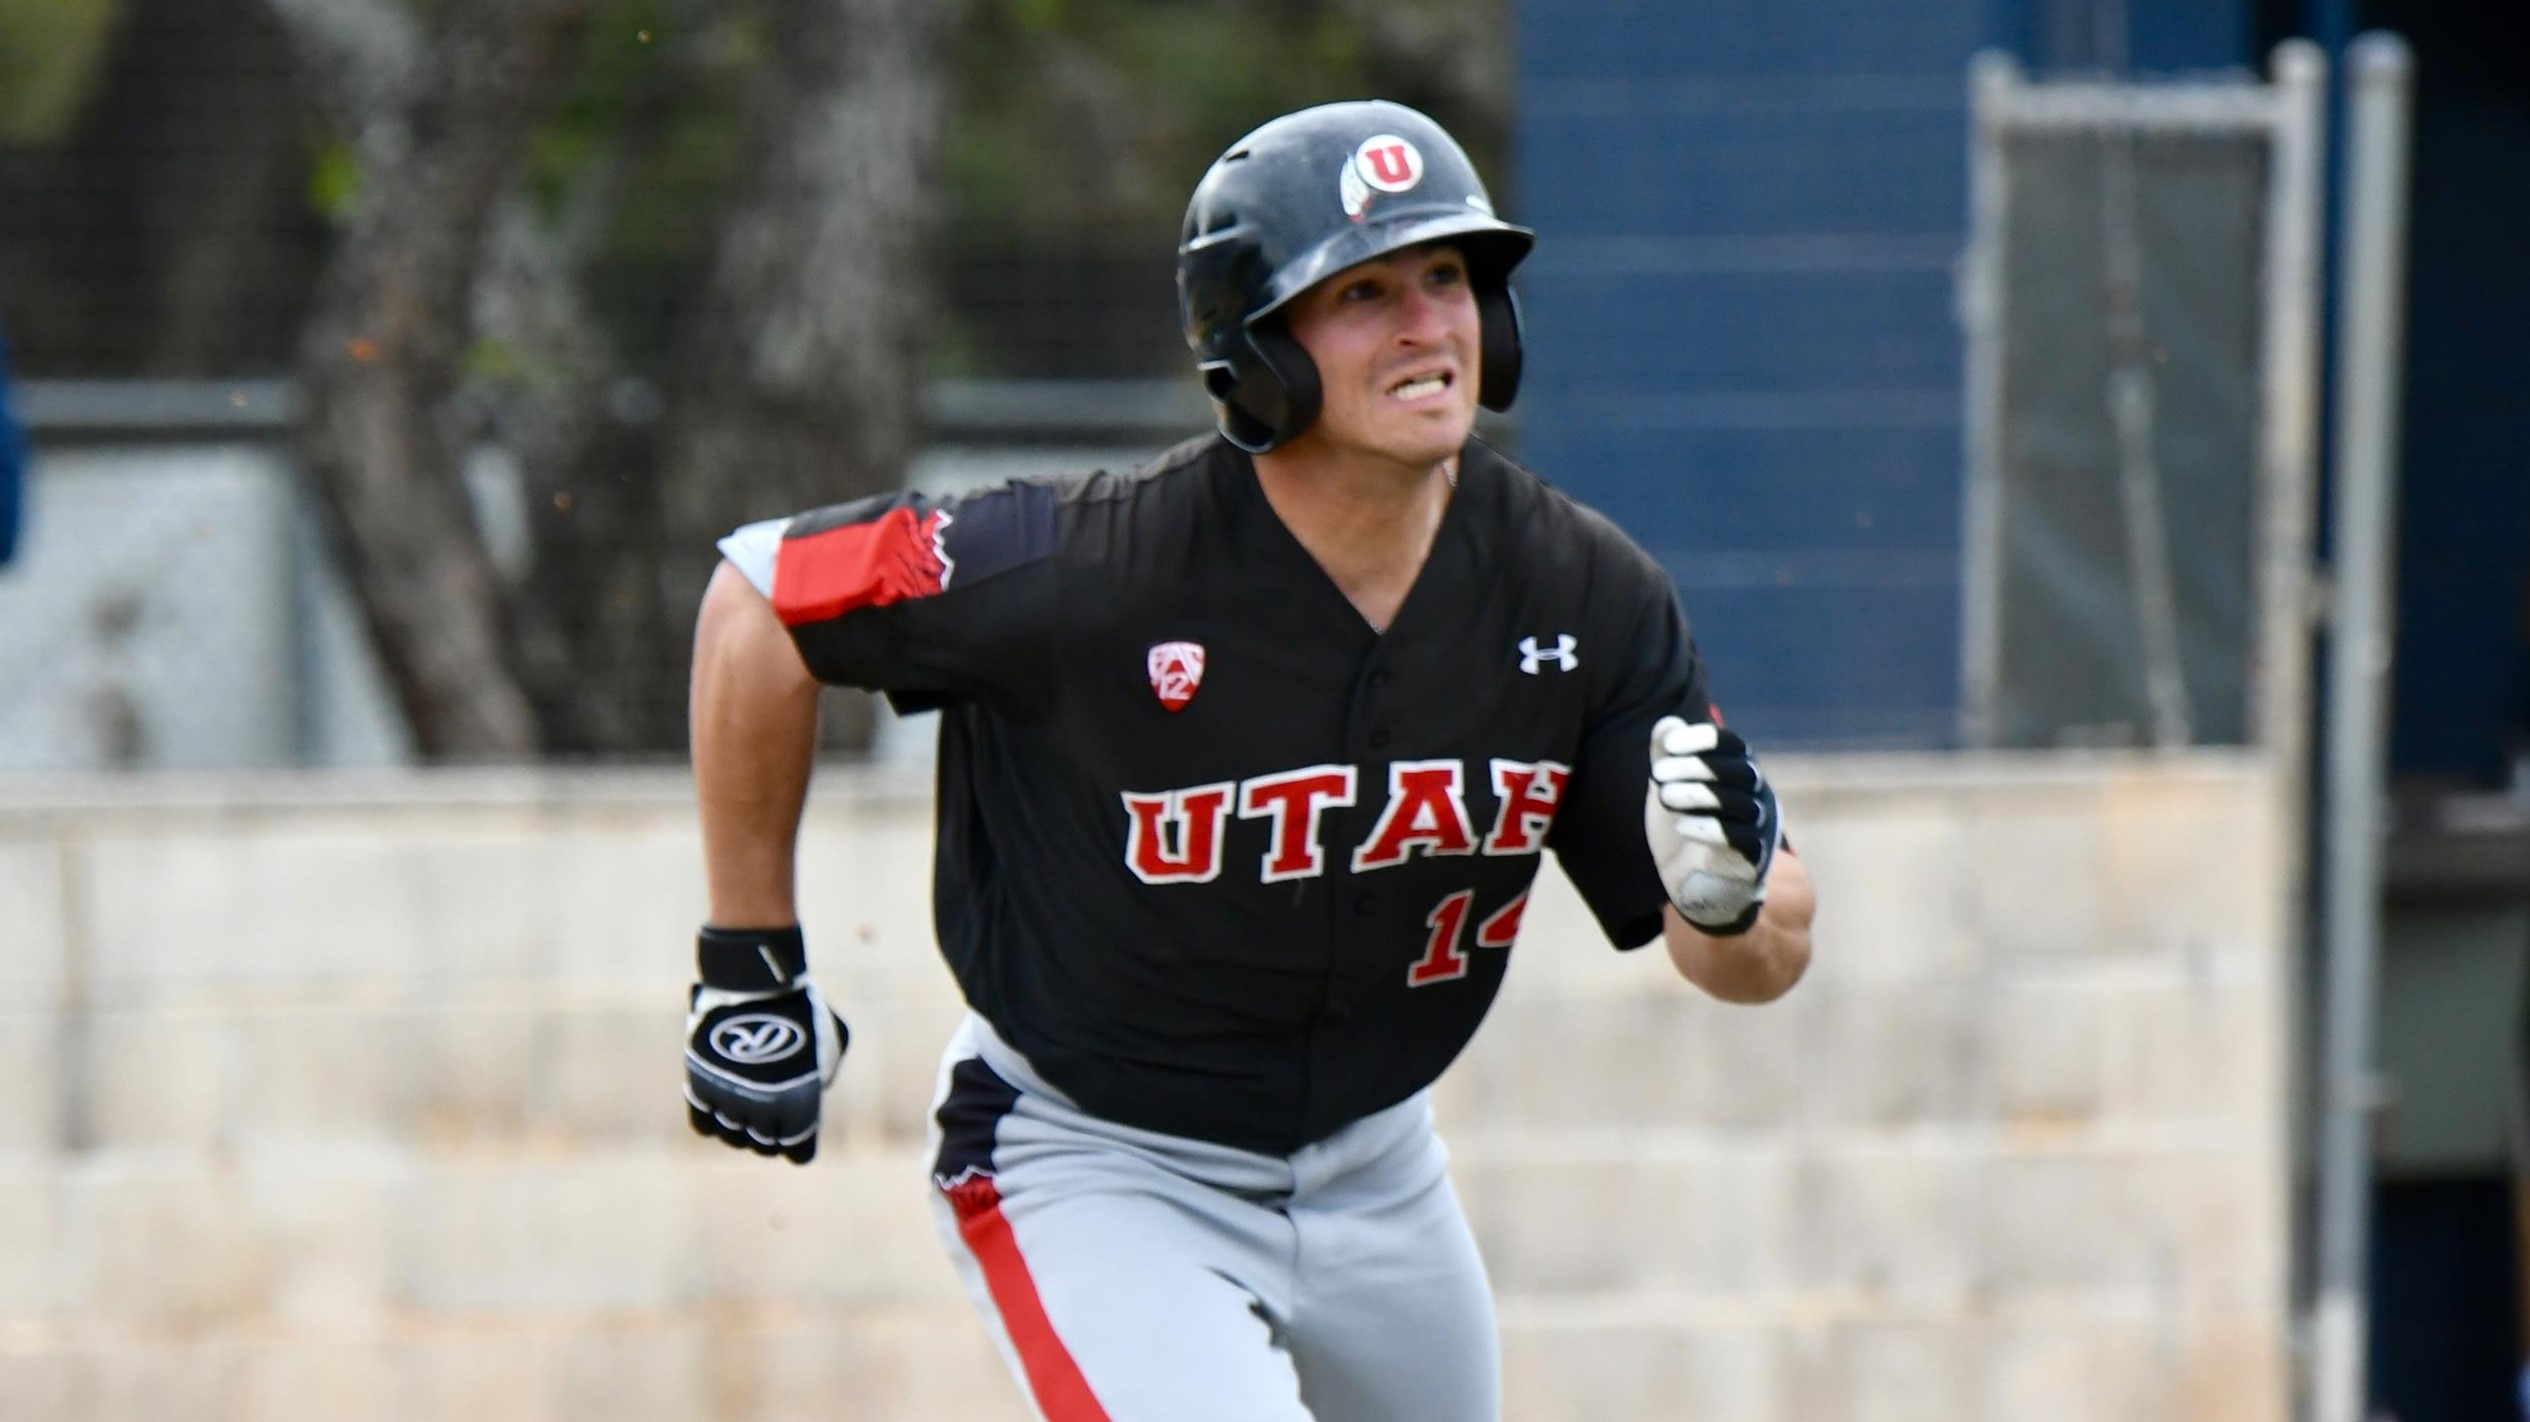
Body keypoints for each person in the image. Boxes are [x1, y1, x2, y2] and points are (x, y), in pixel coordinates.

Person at [681, 100, 1815, 1422]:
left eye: (1447, 277)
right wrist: (749, 958)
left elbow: (1759, 961)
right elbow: (761, 599)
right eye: (1362, 291)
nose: (1425, 325)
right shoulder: (1092, 566)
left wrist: (1728, 904)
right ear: (1256, 348)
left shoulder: (1583, 591)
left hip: (1381, 1173)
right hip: (1097, 1161)